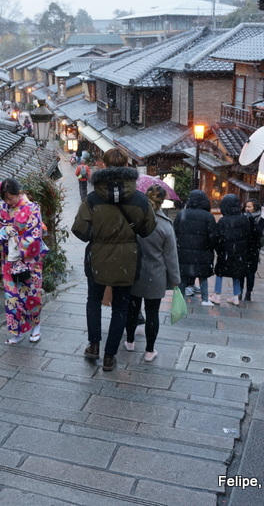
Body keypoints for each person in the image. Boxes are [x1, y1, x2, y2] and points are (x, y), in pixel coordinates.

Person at [72, 148, 157, 372]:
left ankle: (94, 345)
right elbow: (148, 228)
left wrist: (98, 235)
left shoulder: (92, 198)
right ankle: (110, 356)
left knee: (94, 301)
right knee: (120, 307)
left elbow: (79, 230)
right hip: (127, 259)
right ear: (127, 166)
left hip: (98, 257)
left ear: (104, 165)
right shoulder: (140, 198)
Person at [124, 185, 180, 361]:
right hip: (155, 275)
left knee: (132, 310)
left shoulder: (134, 220)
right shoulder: (165, 225)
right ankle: (149, 351)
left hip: (134, 272)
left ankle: (130, 341)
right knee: (152, 313)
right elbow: (171, 256)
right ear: (162, 201)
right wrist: (176, 279)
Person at [0, 178, 49, 344]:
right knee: (12, 296)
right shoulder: (2, 206)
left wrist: (14, 234)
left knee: (32, 294)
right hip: (9, 259)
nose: (9, 202)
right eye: (6, 199)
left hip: (29, 260)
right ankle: (15, 332)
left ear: (19, 193)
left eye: (11, 198)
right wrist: (2, 234)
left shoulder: (32, 208)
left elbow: (35, 235)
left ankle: (35, 327)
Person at [173, 190, 217, 307]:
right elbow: (213, 236)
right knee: (203, 276)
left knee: (182, 276)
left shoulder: (182, 214)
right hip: (202, 252)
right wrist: (210, 248)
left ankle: (180, 300)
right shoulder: (208, 216)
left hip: (183, 252)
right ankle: (205, 299)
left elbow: (174, 232)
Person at [210, 194, 249, 306]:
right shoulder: (244, 219)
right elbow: (248, 236)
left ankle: (217, 295)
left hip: (225, 252)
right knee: (236, 273)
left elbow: (217, 237)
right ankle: (236, 297)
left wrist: (218, 249)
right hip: (240, 252)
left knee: (220, 272)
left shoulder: (223, 220)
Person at [241, 198, 264, 301]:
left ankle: (248, 292)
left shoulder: (259, 219)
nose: (247, 208)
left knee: (251, 272)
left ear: (255, 208)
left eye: (249, 207)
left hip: (253, 250)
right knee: (241, 272)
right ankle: (239, 292)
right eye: (246, 206)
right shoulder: (242, 217)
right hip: (242, 249)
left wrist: (252, 221)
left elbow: (259, 234)